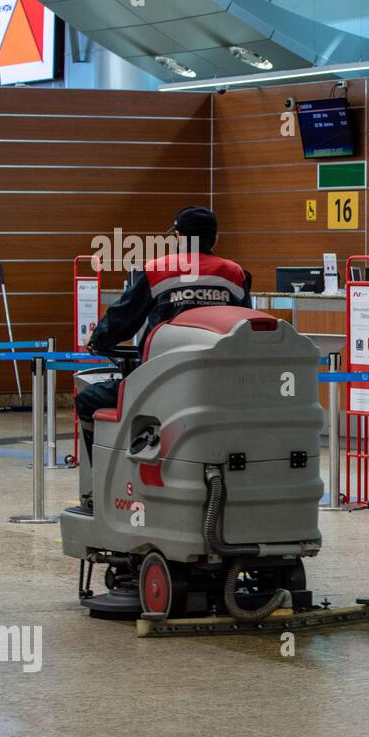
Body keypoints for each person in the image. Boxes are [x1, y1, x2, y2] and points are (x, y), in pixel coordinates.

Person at [74, 206, 251, 511]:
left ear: (179, 237)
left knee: (89, 400)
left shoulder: (158, 269)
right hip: (221, 386)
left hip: (162, 384)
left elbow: (124, 317)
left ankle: (101, 488)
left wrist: (98, 339)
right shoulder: (234, 273)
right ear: (215, 238)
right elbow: (243, 323)